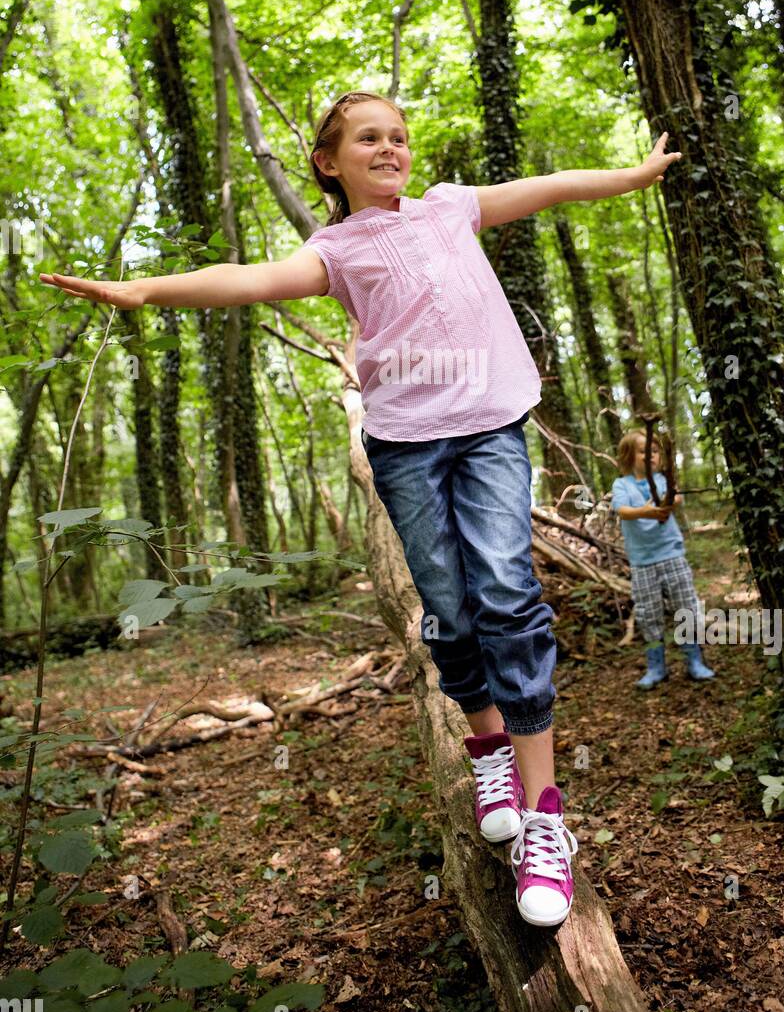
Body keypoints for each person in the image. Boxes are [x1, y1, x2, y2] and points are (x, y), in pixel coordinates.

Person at [41, 89, 683, 927]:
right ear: (328, 161)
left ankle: (545, 814)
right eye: (369, 138)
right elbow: (246, 279)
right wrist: (146, 290)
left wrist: (633, 176)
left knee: (507, 597)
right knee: (449, 613)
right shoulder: (334, 250)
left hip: (489, 426)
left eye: (399, 137)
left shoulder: (452, 210)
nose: (390, 149)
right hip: (407, 442)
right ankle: (485, 740)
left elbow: (553, 185)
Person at [610, 429, 715, 689]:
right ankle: (656, 666)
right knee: (648, 613)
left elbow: (675, 497)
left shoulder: (662, 480)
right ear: (629, 456)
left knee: (686, 604)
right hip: (642, 561)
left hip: (671, 553)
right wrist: (644, 511)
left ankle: (694, 659)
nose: (650, 456)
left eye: (654, 451)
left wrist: (671, 499)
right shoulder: (622, 485)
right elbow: (622, 511)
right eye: (643, 451)